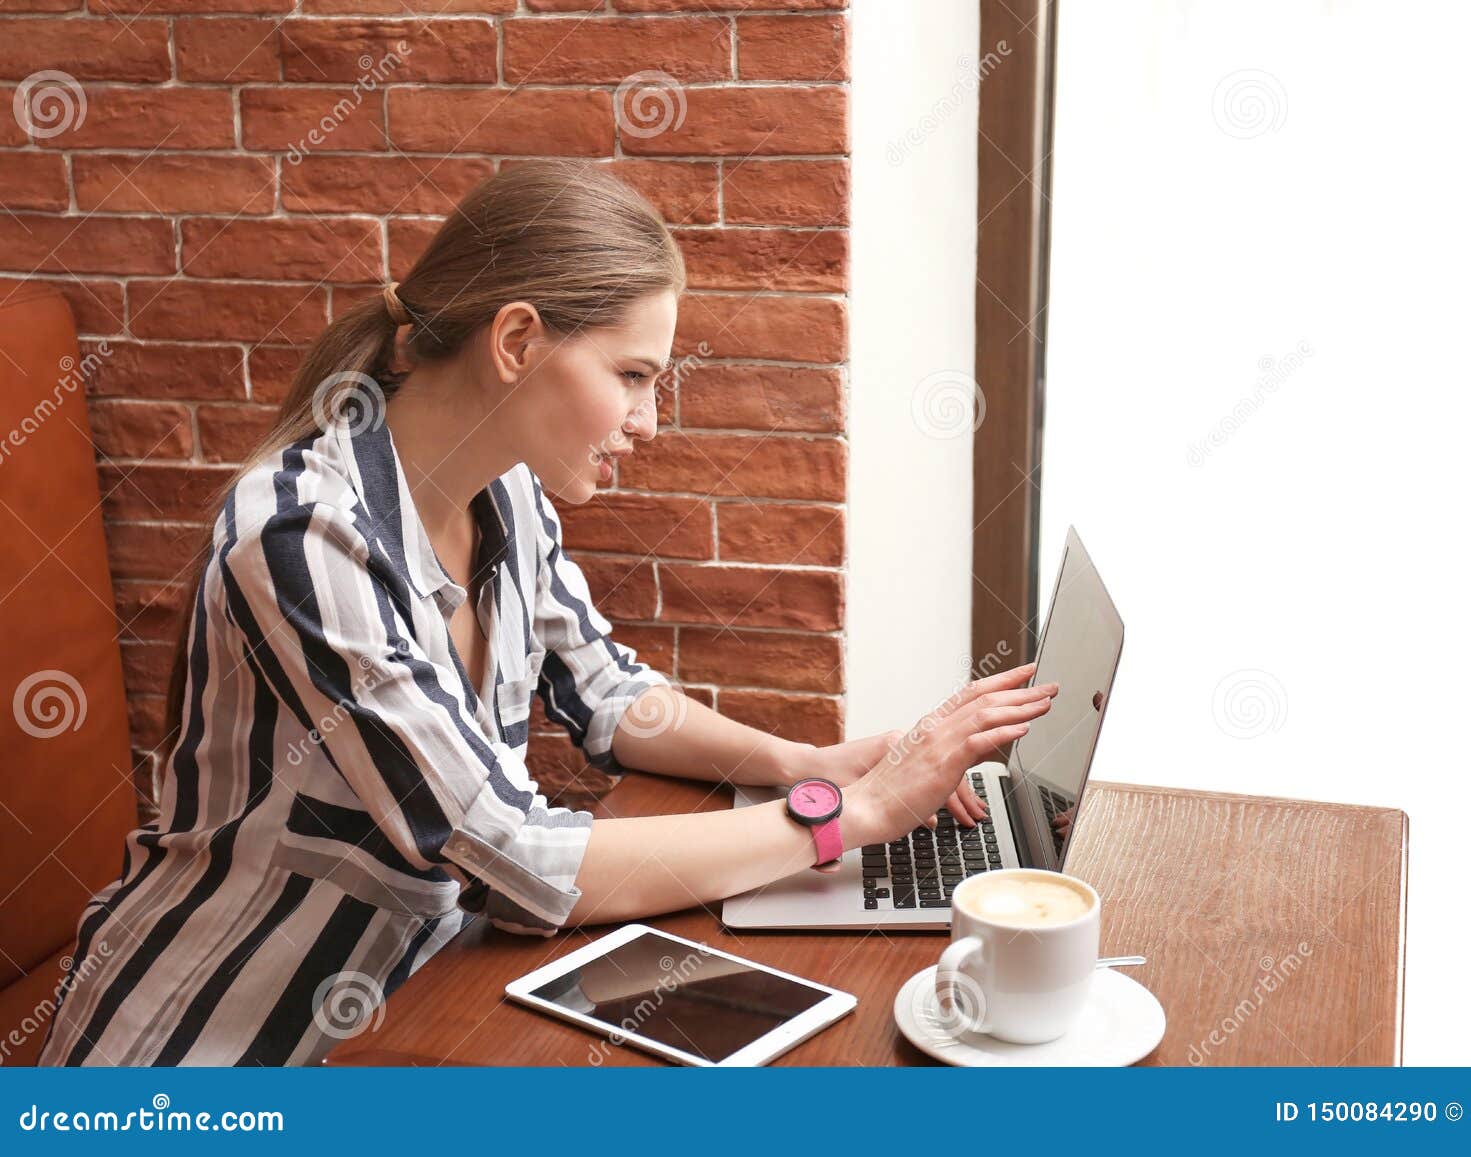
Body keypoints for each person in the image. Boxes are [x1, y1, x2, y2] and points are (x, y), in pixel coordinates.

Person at [39, 160, 1059, 1066]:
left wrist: (806, 763)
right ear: (518, 339)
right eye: (632, 376)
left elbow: (609, 696)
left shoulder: (509, 494)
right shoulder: (303, 536)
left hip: (420, 997)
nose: (648, 421)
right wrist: (850, 819)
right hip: (223, 1048)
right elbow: (515, 856)